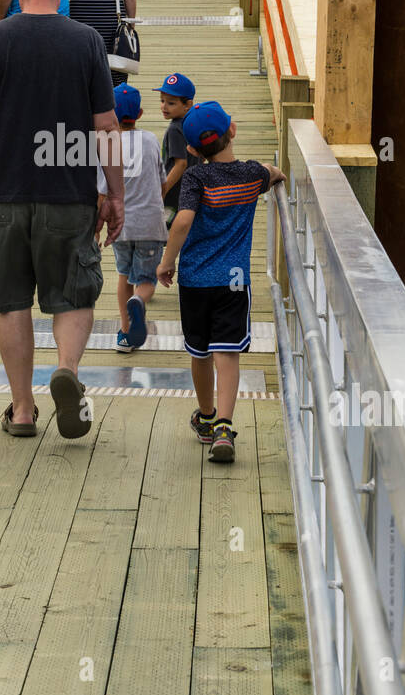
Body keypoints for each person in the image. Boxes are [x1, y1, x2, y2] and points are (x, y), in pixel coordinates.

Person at [0, 0, 123, 439]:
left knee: (10, 302)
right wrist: (115, 195)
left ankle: (23, 410)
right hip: (69, 195)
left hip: (5, 196)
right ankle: (66, 368)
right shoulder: (87, 41)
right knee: (72, 296)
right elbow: (106, 124)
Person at [157, 101, 284, 463]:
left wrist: (167, 262)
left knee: (200, 352)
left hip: (196, 279)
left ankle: (207, 416)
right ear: (234, 130)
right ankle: (226, 427)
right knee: (226, 352)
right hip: (233, 281)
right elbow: (272, 172)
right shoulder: (251, 175)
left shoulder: (196, 178)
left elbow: (182, 222)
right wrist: (277, 174)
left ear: (193, 150)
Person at [96, 83, 167, 353]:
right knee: (146, 281)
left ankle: (125, 335)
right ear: (139, 113)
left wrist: (97, 226)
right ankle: (140, 300)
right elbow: (161, 183)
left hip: (120, 227)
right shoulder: (150, 139)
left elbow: (102, 193)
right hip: (150, 224)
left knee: (124, 275)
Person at [153, 71, 197, 226]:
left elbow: (180, 164)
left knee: (164, 232)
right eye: (162, 101)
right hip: (192, 188)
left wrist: (162, 190)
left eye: (171, 103)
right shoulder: (193, 123)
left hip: (173, 192)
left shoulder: (174, 129)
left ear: (187, 105)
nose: (164, 106)